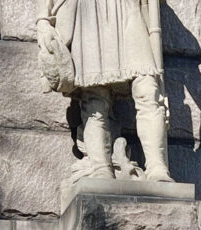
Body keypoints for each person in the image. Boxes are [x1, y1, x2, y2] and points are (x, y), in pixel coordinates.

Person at [36, 0, 171, 181]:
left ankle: (157, 167)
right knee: (95, 100)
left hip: (129, 10)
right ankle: (101, 168)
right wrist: (43, 19)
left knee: (148, 90)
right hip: (89, 13)